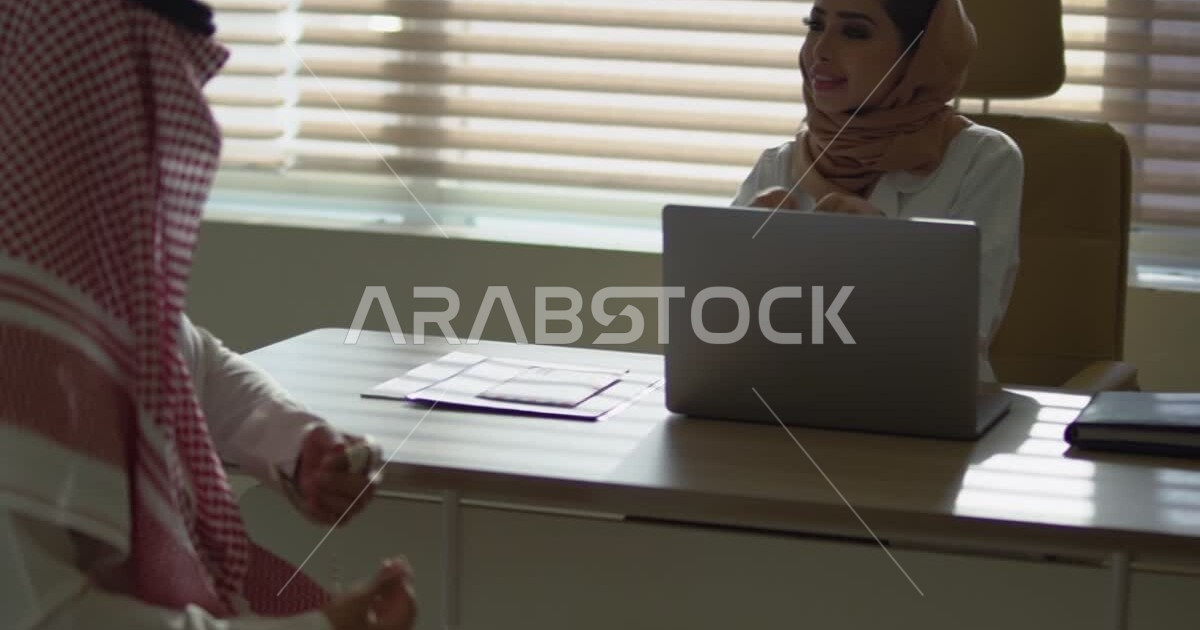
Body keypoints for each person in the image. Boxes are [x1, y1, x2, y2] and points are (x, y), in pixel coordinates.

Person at [0, 0, 416, 628]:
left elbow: (190, 362)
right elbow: (50, 615)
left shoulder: (65, 284)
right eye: (141, 109)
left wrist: (297, 444)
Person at [734, 0, 1022, 382]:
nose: (820, 51)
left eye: (854, 32)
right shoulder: (778, 164)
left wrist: (885, 256)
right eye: (815, 25)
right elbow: (717, 332)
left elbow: (959, 337)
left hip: (921, 404)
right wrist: (741, 268)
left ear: (918, 54)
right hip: (781, 397)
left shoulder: (984, 159)